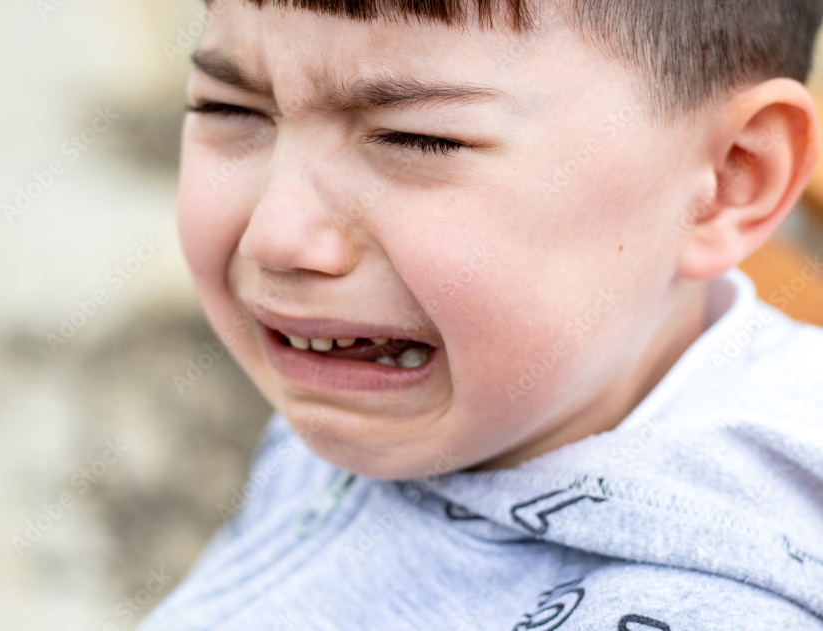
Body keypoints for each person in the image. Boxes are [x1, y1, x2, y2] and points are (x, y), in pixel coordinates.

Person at [143, 0, 823, 628]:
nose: (276, 235)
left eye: (417, 138)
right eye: (231, 108)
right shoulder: (380, 377)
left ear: (731, 178)